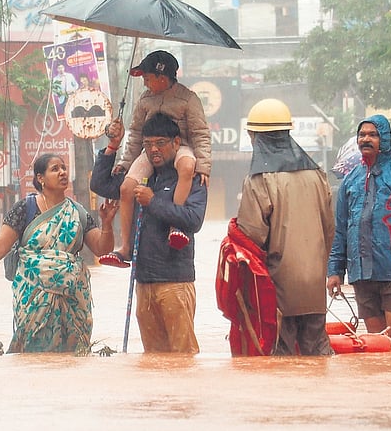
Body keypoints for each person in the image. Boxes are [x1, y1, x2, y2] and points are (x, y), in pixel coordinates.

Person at [0, 153, 117, 353]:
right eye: (55, 169)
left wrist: (107, 223)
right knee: (32, 354)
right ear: (40, 178)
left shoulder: (77, 212)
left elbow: (102, 249)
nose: (62, 173)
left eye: (63, 168)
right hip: (33, 297)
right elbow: (0, 246)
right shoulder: (25, 209)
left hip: (73, 299)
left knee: (73, 357)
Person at [92, 112, 207, 353]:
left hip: (175, 283)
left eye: (160, 143)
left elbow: (193, 220)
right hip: (143, 282)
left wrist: (153, 201)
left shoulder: (191, 178)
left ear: (177, 143)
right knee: (152, 359)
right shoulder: (139, 178)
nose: (154, 150)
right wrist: (112, 146)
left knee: (183, 357)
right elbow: (100, 185)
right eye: (148, 144)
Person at [236, 99, 336, 356]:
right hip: (314, 287)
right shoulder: (318, 175)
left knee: (282, 361)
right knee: (317, 355)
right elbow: (329, 229)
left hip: (277, 288)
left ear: (256, 137)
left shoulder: (259, 180)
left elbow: (250, 239)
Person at [100, 50, 211, 267]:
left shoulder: (189, 99)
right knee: (125, 188)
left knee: (188, 166)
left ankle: (175, 227)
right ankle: (125, 247)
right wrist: (124, 163)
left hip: (181, 148)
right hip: (149, 150)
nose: (145, 83)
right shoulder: (144, 100)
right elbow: (135, 134)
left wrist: (204, 166)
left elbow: (200, 133)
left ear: (162, 77)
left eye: (147, 78)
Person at [326, 114, 391, 340]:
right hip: (361, 275)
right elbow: (341, 230)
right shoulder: (350, 180)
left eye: (373, 135)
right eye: (362, 135)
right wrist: (335, 271)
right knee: (376, 346)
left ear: (385, 139)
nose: (365, 140)